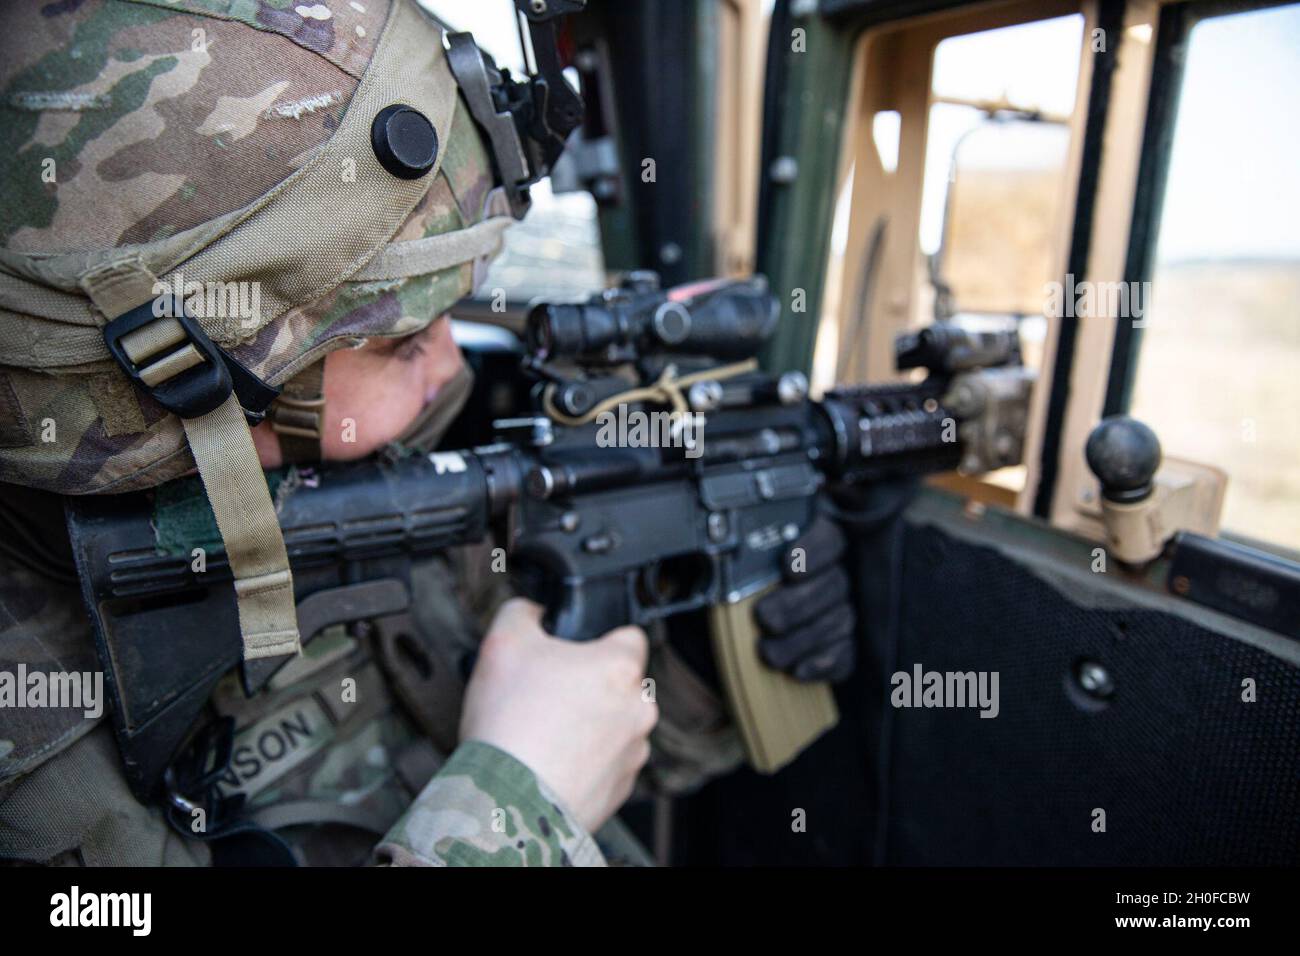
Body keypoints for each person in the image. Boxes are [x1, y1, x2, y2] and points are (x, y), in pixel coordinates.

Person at [0, 0, 855, 867]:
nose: (453, 370)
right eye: (405, 341)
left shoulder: (391, 484)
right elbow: (547, 774)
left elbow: (612, 745)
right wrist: (514, 807)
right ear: (177, 385)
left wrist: (699, 668)